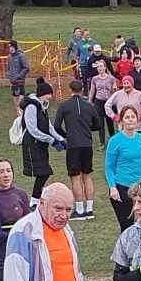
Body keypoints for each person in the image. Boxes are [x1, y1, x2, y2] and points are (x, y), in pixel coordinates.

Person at [103, 103, 141, 230]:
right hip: (122, 187)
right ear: (122, 120)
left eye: (133, 117)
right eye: (127, 117)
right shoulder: (115, 141)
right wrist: (112, 187)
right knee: (127, 225)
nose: (130, 119)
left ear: (137, 119)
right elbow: (109, 167)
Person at [55, 78, 99, 219]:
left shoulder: (64, 106)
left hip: (73, 145)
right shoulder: (89, 106)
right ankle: (90, 209)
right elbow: (97, 125)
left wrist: (66, 135)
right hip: (87, 144)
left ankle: (79, 210)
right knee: (87, 175)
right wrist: (87, 128)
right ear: (82, 90)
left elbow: (56, 126)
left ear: (70, 90)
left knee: (75, 177)